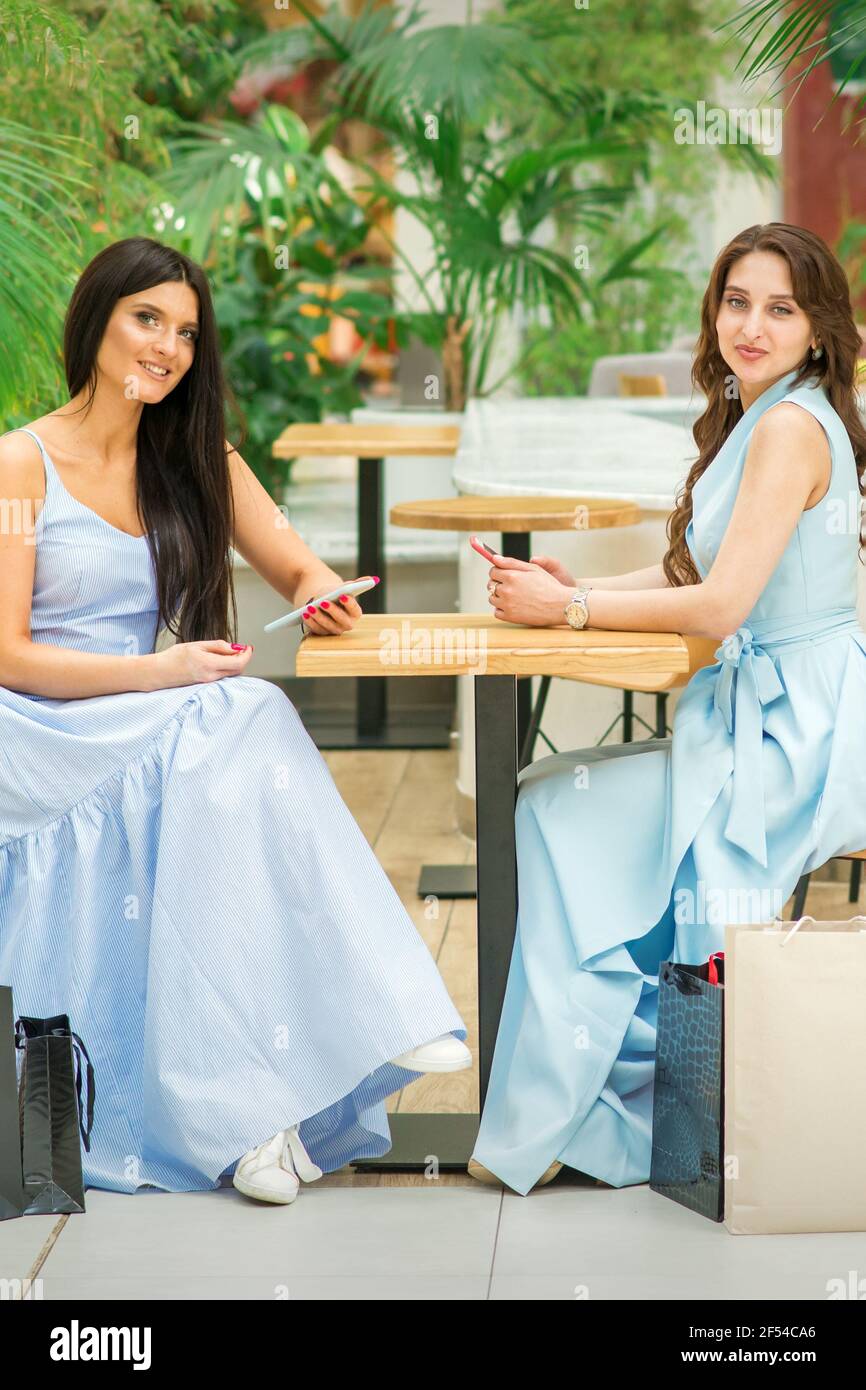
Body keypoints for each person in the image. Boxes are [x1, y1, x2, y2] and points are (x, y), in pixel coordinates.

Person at [0, 236, 470, 1208]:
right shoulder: (19, 466)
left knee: (232, 782)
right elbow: (6, 653)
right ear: (96, 319)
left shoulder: (196, 456)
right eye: (146, 319)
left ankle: (254, 1114)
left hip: (139, 716)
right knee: (239, 708)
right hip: (37, 728)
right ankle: (369, 1022)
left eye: (184, 332)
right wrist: (156, 671)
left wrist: (321, 587)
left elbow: (295, 562)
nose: (166, 347)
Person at [467, 221, 866, 1195]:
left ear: (817, 326)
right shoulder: (770, 411)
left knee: (554, 805)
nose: (750, 325)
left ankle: (591, 1107)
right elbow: (699, 569)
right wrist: (578, 586)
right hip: (766, 709)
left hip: (797, 733)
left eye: (779, 307)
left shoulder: (784, 426)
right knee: (552, 791)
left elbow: (720, 608)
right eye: (735, 301)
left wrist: (567, 609)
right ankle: (594, 1098)